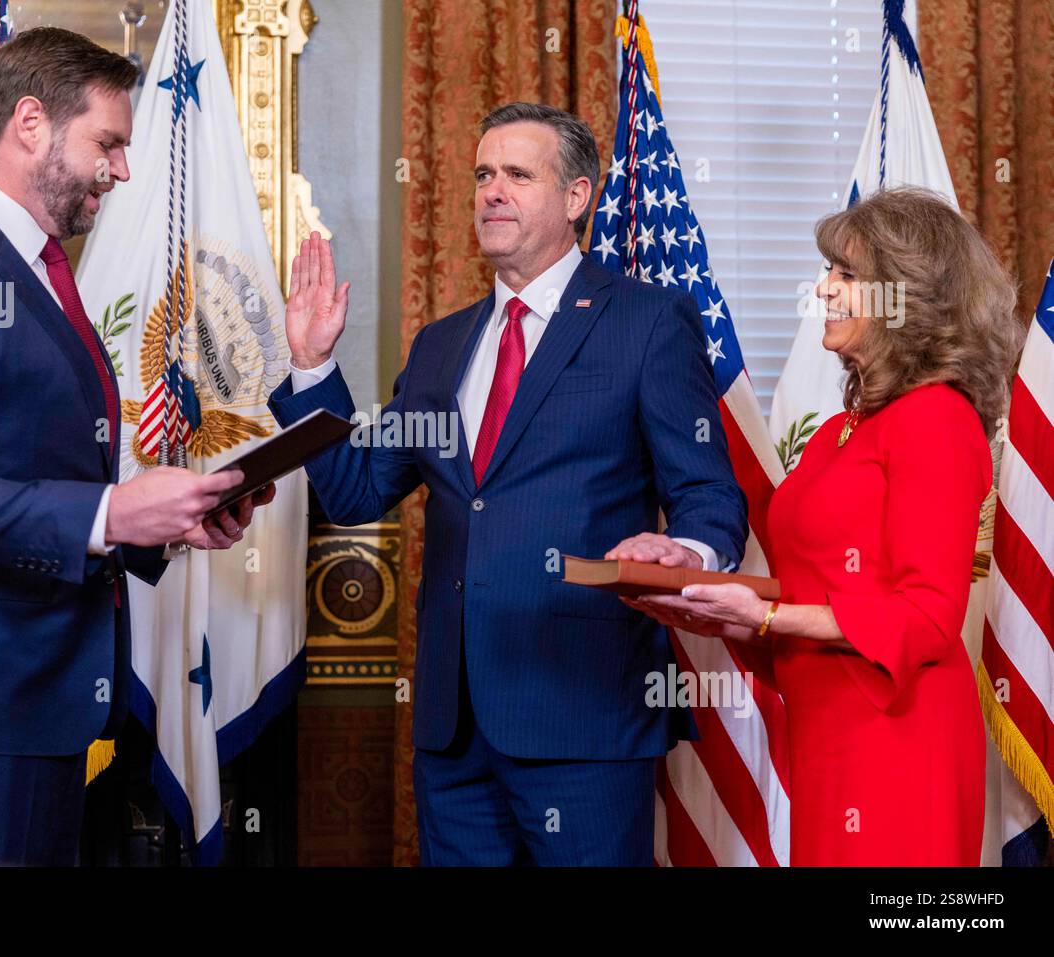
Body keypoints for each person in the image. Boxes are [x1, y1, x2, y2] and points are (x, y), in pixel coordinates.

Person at [270, 102, 747, 865]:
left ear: (576, 197)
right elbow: (355, 491)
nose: (493, 190)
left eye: (519, 174)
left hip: (584, 716)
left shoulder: (648, 322)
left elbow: (710, 492)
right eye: (483, 174)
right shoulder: (440, 346)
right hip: (453, 733)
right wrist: (312, 366)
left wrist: (687, 552)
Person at [0, 28, 272, 866]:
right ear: (30, 123)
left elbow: (35, 465)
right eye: (107, 143)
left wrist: (161, 521)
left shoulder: (32, 265)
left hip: (28, 691)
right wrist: (112, 508)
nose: (121, 169)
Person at [630, 186, 1025, 865]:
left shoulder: (936, 419)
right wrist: (717, 611)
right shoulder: (838, 434)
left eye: (846, 274)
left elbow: (927, 616)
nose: (822, 290)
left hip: (897, 735)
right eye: (828, 271)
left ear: (908, 298)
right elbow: (814, 593)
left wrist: (764, 614)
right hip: (824, 733)